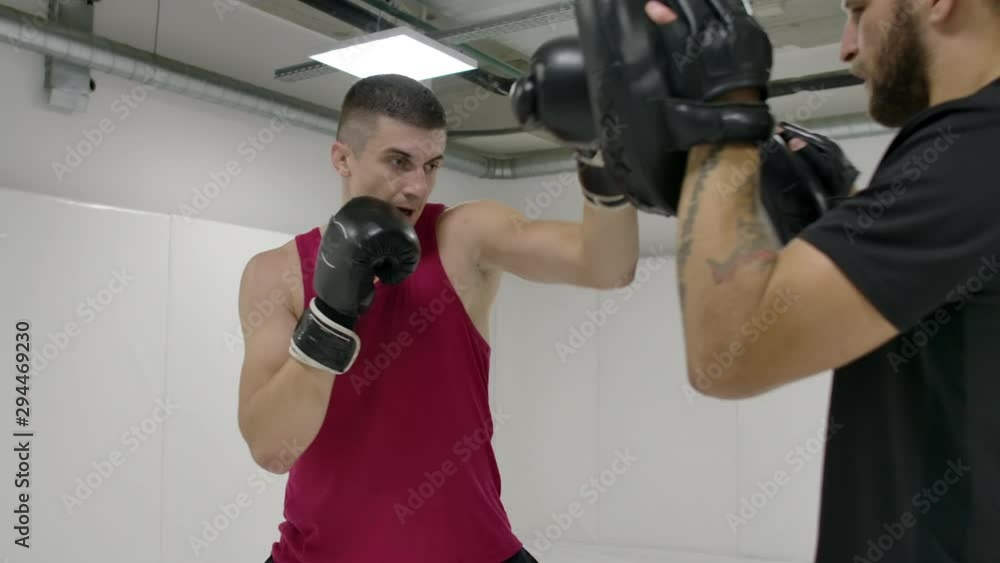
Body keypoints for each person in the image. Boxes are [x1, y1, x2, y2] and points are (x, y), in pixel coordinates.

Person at [643, 0, 1000, 560]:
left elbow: (727, 356)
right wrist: (842, 211)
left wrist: (723, 110)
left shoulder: (977, 145)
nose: (847, 47)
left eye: (859, 10)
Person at [235, 73, 639, 563]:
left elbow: (607, 267)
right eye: (398, 162)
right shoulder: (276, 274)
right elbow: (272, 449)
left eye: (431, 166)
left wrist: (600, 152)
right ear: (342, 158)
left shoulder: (463, 235)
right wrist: (331, 314)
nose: (417, 186)